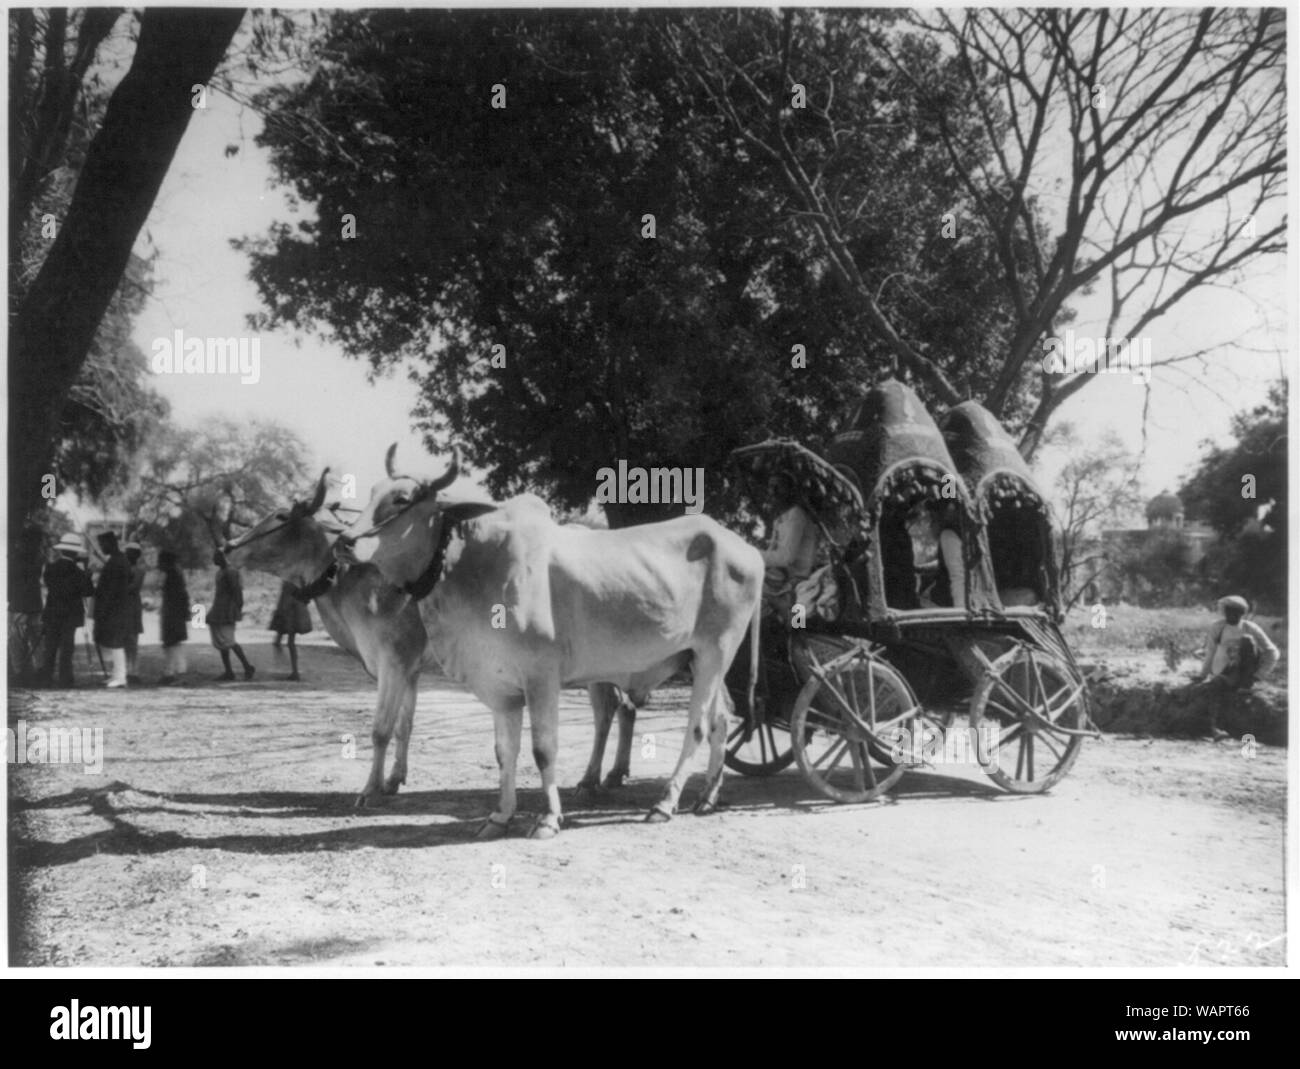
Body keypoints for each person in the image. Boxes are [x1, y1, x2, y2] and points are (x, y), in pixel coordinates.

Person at [1196, 595, 1279, 740]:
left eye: (1235, 612)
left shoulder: (1250, 628)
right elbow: (1210, 652)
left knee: (1247, 641)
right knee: (1213, 688)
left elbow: (1272, 652)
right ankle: (1214, 729)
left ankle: (1246, 685)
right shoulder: (1218, 627)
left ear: (1242, 613)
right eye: (1228, 611)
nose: (1231, 615)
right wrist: (1203, 675)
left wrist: (1259, 675)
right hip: (1225, 670)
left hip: (1245, 672)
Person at [761, 472, 818, 621]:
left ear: (790, 490)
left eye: (778, 487)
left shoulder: (797, 515)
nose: (772, 491)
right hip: (780, 576)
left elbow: (785, 557)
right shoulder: (780, 519)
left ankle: (797, 636)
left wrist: (751, 554)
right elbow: (771, 553)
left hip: (796, 579)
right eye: (770, 487)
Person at [38, 533, 94, 687]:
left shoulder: (50, 568)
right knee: (67, 648)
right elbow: (88, 592)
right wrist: (88, 574)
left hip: (53, 612)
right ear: (76, 552)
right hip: (70, 615)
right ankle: (65, 679)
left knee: (50, 647)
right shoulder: (79, 572)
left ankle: (46, 678)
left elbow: (49, 585)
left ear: (61, 550)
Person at [906, 501, 966, 609]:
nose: (930, 524)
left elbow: (957, 576)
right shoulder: (960, 533)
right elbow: (948, 561)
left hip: (946, 604)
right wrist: (920, 568)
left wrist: (960, 611)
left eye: (933, 518)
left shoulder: (948, 535)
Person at [92, 531, 132, 688]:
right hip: (116, 607)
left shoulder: (117, 562)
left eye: (103, 545)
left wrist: (103, 610)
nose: (101, 548)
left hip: (115, 608)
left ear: (110, 543)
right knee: (112, 641)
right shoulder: (118, 560)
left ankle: (121, 677)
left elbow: (111, 589)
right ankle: (116, 675)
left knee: (116, 643)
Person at [209, 550, 255, 681]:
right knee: (222, 642)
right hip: (219, 610)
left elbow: (237, 593)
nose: (213, 559)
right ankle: (228, 671)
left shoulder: (231, 572)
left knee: (229, 641)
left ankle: (247, 666)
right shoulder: (220, 573)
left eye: (215, 556)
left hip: (227, 610)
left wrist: (237, 609)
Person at [8, 526, 46, 685]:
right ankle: (36, 671)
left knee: (19, 640)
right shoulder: (35, 557)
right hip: (30, 604)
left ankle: (21, 672)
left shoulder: (16, 557)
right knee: (32, 639)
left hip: (20, 604)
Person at [269, 580, 313, 681]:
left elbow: (285, 598)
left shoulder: (290, 580)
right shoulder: (299, 578)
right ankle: (294, 671)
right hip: (294, 611)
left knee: (291, 643)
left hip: (291, 613)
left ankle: (295, 671)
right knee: (290, 642)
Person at [158, 550, 190, 685]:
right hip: (173, 613)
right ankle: (169, 672)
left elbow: (179, 597)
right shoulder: (175, 573)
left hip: (173, 614)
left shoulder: (172, 575)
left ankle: (180, 673)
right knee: (171, 644)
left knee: (173, 644)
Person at [123, 541, 147, 683]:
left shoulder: (139, 570)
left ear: (135, 555)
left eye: (130, 553)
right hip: (125, 606)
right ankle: (126, 670)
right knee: (124, 639)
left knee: (132, 640)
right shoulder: (125, 569)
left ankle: (134, 671)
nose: (127, 555)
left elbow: (133, 587)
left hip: (132, 606)